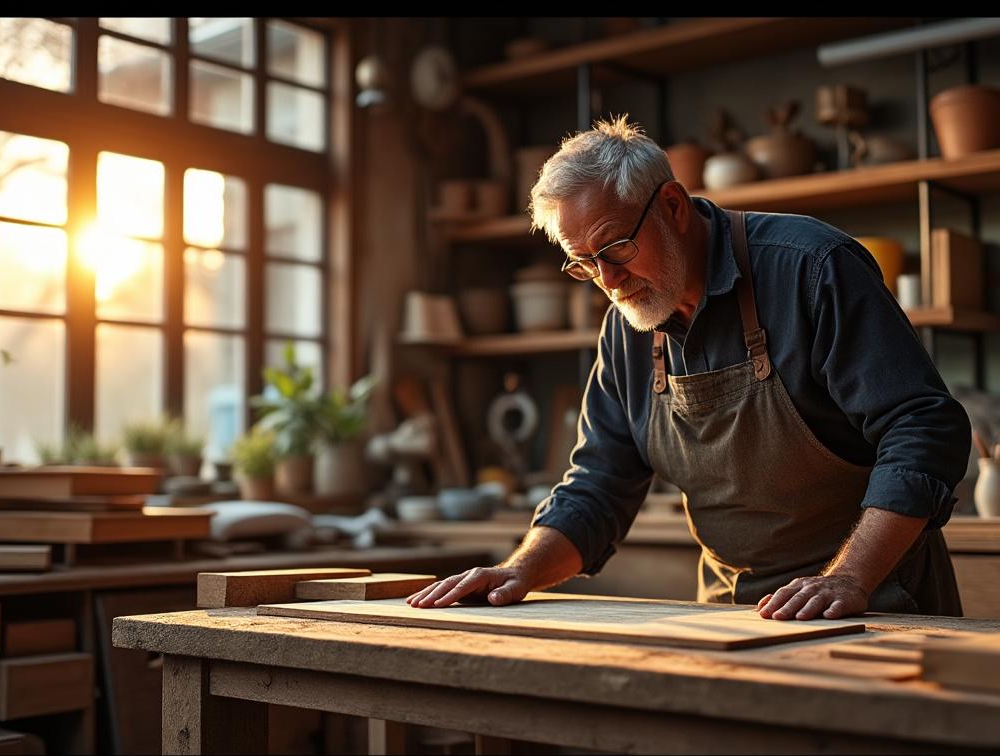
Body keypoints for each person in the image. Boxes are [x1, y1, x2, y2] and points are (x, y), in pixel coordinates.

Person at [408, 115, 968, 620]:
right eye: (584, 264)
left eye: (615, 247)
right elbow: (599, 486)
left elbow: (922, 428)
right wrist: (519, 570)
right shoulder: (626, 326)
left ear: (673, 206)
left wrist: (850, 577)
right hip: (735, 613)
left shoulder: (810, 269)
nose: (609, 281)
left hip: (874, 599)